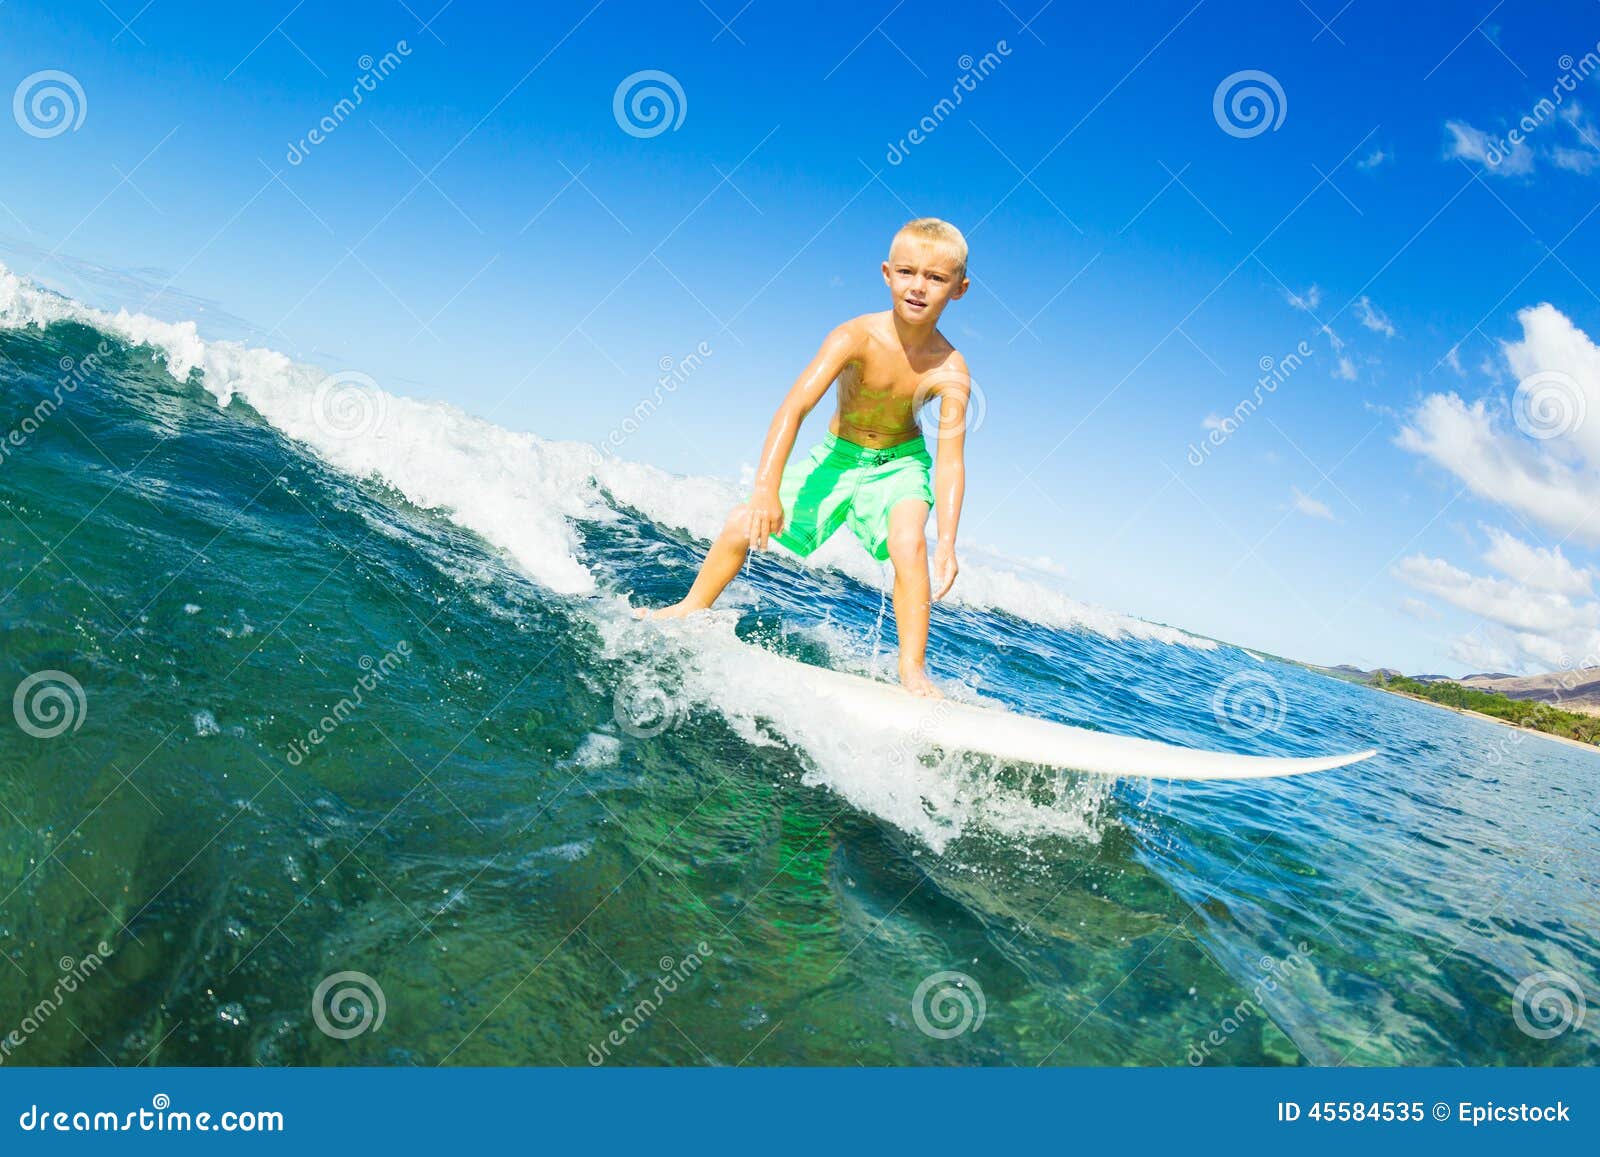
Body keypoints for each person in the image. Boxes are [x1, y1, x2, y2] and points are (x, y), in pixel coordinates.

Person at [642, 217, 973, 698]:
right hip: (837, 456)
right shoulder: (853, 337)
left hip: (901, 465)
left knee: (909, 543)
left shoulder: (951, 367)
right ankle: (692, 607)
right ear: (886, 273)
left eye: (936, 278)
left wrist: (947, 540)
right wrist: (765, 489)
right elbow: (794, 407)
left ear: (958, 289)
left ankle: (912, 669)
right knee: (741, 523)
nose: (918, 287)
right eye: (907, 272)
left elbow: (950, 461)